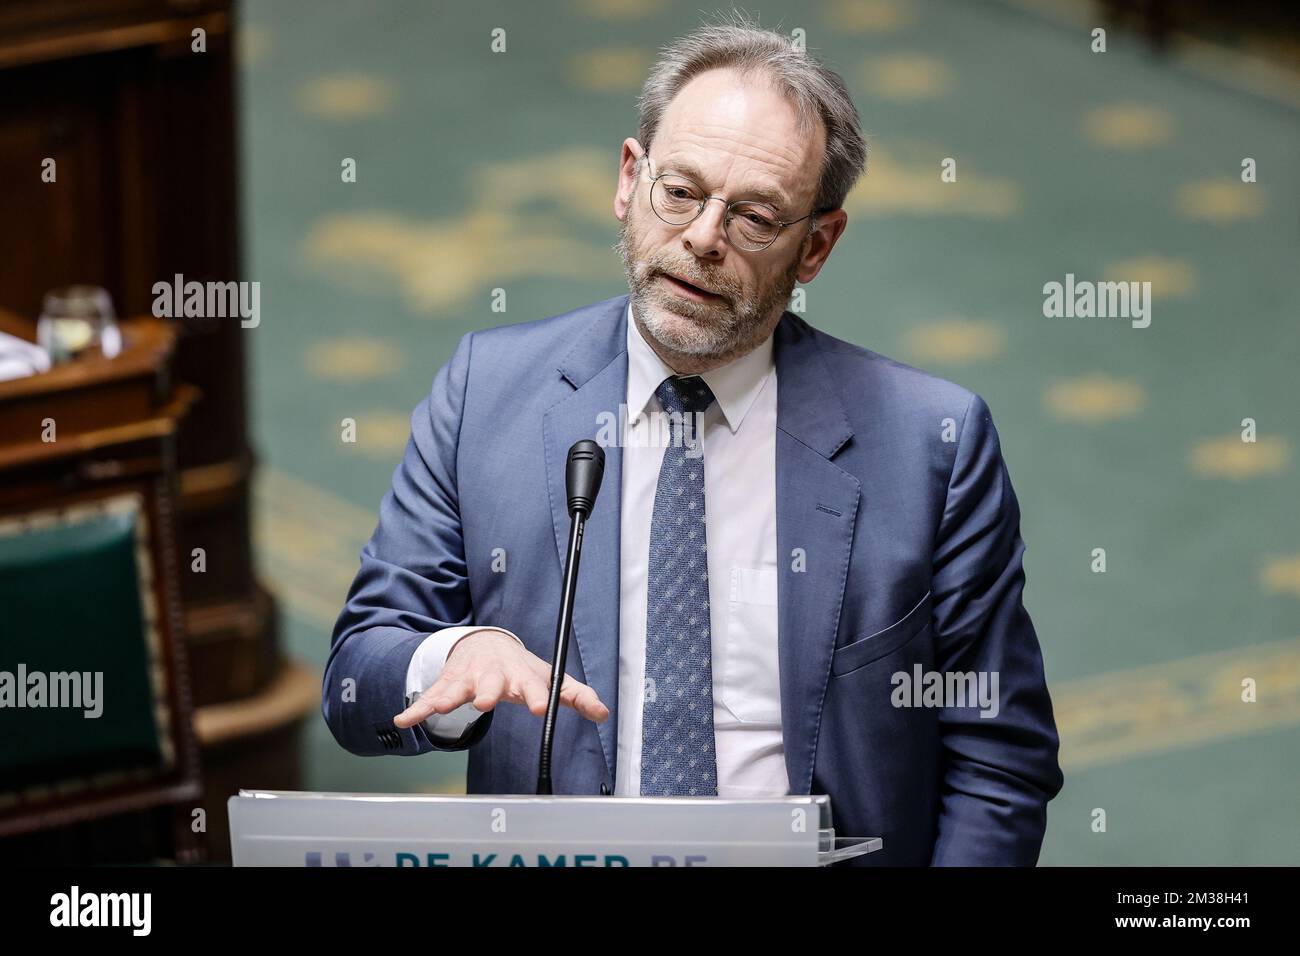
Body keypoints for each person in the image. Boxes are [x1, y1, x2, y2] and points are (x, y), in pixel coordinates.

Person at [323, 16, 1063, 865]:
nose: (703, 238)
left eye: (754, 217)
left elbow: (998, 756)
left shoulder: (932, 444)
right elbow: (357, 680)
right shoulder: (487, 393)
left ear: (816, 246)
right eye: (680, 191)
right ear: (629, 180)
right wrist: (457, 656)